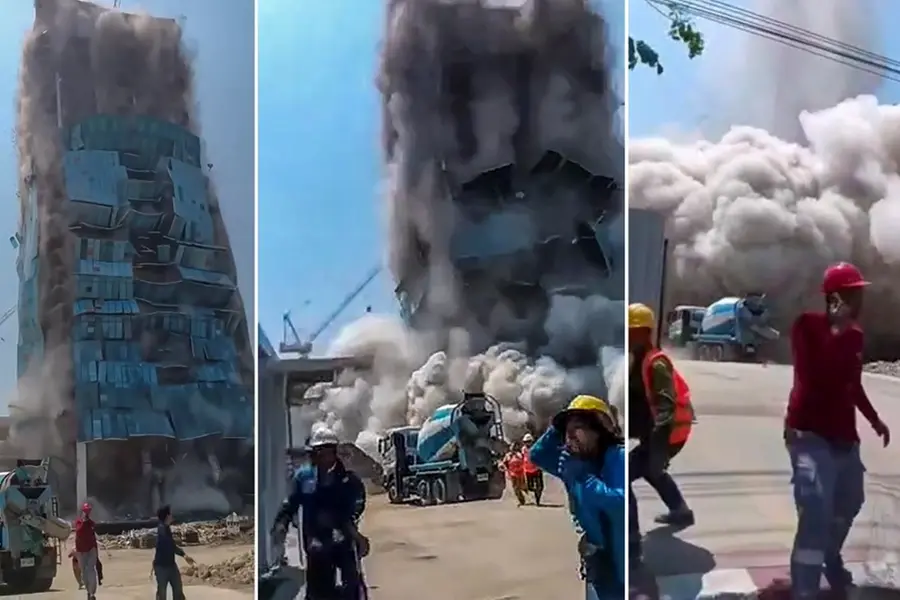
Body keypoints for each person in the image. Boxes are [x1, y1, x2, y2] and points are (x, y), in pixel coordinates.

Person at [785, 262, 890, 598]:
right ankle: (805, 590)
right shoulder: (806, 328)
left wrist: (874, 420)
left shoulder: (856, 336)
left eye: (858, 293)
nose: (858, 300)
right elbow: (816, 376)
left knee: (850, 501)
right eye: (852, 293)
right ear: (834, 298)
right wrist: (836, 331)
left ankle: (830, 554)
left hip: (844, 436)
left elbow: (852, 385)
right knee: (816, 505)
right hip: (808, 433)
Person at [529, 394, 625, 599]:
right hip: (598, 567)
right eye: (567, 430)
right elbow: (536, 455)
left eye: (578, 427)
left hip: (623, 569)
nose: (570, 434)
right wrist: (558, 425)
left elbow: (621, 505)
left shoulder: (619, 458)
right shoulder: (572, 464)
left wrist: (585, 479)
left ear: (598, 430)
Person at [627, 302, 695, 567]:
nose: (629, 335)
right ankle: (681, 511)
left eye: (633, 331)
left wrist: (658, 451)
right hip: (652, 433)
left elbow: (666, 407)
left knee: (623, 477)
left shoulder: (656, 364)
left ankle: (631, 541)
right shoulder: (638, 359)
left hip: (667, 434)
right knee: (650, 470)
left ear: (645, 333)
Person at [273, 428, 370, 600]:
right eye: (317, 452)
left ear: (334, 453)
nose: (321, 457)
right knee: (319, 592)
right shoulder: (303, 477)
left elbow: (359, 503)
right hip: (315, 543)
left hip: (343, 541)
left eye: (326, 452)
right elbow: (290, 503)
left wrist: (349, 524)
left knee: (352, 587)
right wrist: (282, 522)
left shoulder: (348, 479)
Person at [153, 505, 195, 600]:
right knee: (162, 593)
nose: (172, 516)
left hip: (171, 565)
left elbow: (172, 546)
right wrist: (183, 555)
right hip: (162, 567)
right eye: (170, 514)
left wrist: (183, 555)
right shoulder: (162, 529)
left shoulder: (166, 528)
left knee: (177, 590)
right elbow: (170, 546)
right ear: (167, 516)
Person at [74, 502, 100, 600]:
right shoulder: (78, 523)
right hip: (81, 551)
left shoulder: (91, 524)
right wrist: (84, 521)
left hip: (91, 550)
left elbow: (93, 536)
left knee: (91, 570)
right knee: (84, 573)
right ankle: (88, 591)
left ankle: (92, 594)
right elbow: (79, 531)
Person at [520, 433, 544, 506]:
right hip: (528, 470)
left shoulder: (536, 448)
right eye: (526, 442)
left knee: (540, 486)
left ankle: (538, 500)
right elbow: (522, 457)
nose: (528, 443)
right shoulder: (523, 449)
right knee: (529, 487)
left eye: (529, 441)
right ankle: (535, 492)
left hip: (537, 469)